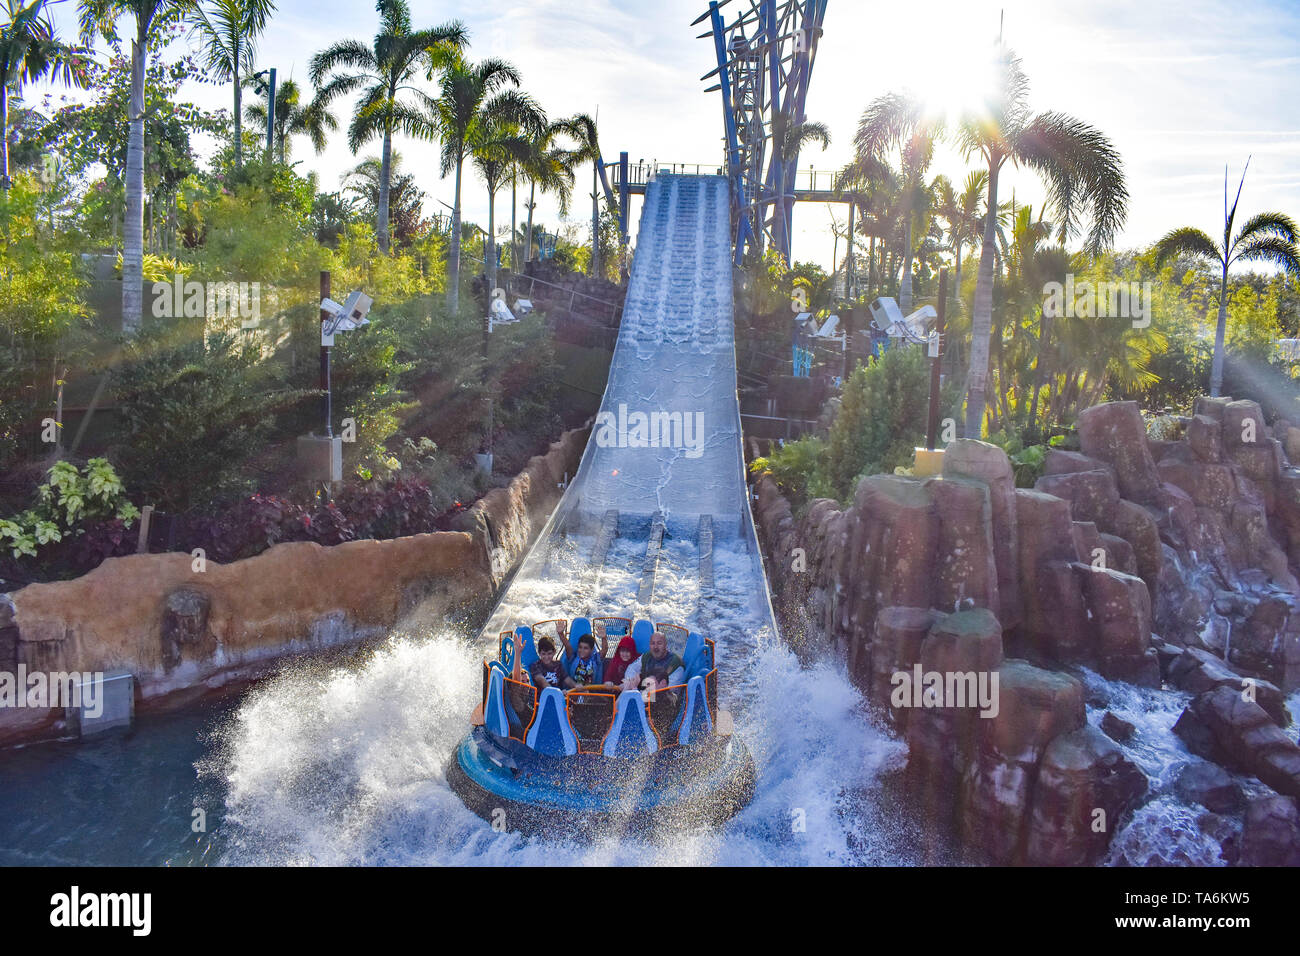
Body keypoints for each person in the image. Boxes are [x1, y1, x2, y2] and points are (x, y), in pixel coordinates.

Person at [622, 629, 685, 704]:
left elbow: (666, 692)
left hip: (664, 704)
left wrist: (635, 690)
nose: (655, 647)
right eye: (653, 643)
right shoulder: (646, 656)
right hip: (643, 697)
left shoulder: (676, 664)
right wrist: (630, 683)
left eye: (659, 643)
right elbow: (631, 668)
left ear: (666, 645)